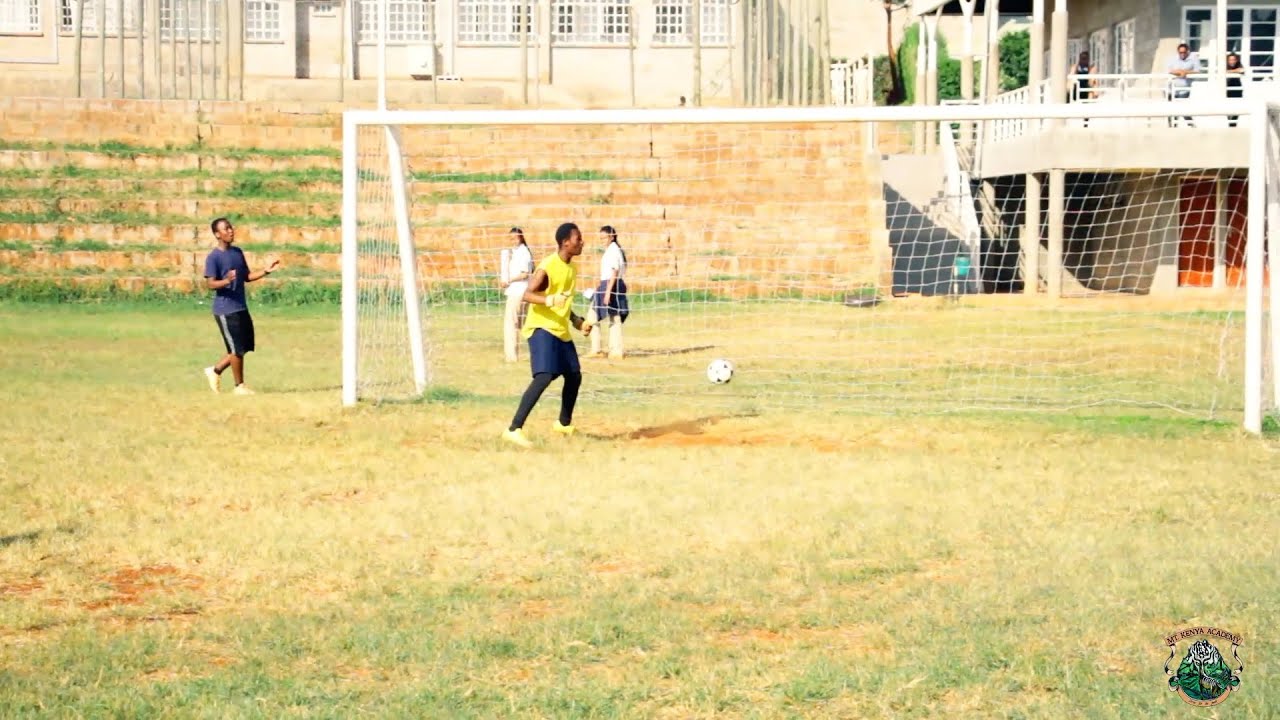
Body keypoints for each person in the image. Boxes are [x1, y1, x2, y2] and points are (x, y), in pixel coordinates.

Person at [502, 222, 594, 448]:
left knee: (574, 375)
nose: (581, 242)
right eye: (578, 239)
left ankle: (563, 424)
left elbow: (562, 299)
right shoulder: (548, 266)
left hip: (560, 329)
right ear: (565, 242)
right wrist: (549, 300)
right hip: (541, 327)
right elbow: (527, 294)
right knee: (544, 376)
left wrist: (576, 321)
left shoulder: (572, 268)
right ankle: (513, 429)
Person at [202, 217, 280, 395]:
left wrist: (266, 271)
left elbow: (247, 276)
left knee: (244, 346)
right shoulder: (213, 258)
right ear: (217, 234)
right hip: (225, 310)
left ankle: (215, 371)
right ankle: (239, 386)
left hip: (241, 307)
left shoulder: (237, 252)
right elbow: (210, 284)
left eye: (231, 228)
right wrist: (226, 280)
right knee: (236, 349)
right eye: (226, 229)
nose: (231, 231)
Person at [589, 225, 629, 360]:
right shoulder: (611, 250)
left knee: (614, 317)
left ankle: (616, 351)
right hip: (607, 284)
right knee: (593, 315)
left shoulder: (613, 250)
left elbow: (614, 272)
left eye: (604, 237)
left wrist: (607, 291)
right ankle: (597, 349)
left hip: (611, 285)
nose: (602, 240)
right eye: (600, 238)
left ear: (612, 237)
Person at [500, 227, 534, 362]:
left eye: (514, 238)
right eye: (510, 238)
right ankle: (518, 353)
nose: (512, 241)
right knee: (520, 324)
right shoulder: (515, 252)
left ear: (520, 237)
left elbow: (525, 273)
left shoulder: (524, 253)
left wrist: (508, 280)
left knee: (511, 323)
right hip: (519, 291)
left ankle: (511, 356)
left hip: (518, 292)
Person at [1168, 43, 1199, 127]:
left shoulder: (1193, 59)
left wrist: (1186, 72)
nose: (1182, 54)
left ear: (1187, 51)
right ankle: (1172, 128)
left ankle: (1192, 125)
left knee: (1182, 108)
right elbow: (1170, 70)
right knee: (1171, 110)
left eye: (1184, 52)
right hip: (1172, 88)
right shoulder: (1173, 59)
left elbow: (1197, 71)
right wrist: (1179, 72)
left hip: (1184, 89)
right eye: (1180, 52)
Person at [1071, 51, 1097, 127]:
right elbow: (1072, 76)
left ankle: (1086, 121)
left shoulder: (1089, 67)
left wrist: (1094, 91)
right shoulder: (1076, 66)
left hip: (1085, 87)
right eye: (1082, 57)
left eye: (1085, 58)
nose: (1083, 59)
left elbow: (1093, 80)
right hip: (1077, 88)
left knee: (1086, 104)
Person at [1226, 52, 1245, 128]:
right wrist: (1234, 71)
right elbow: (1223, 71)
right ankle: (1230, 123)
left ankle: (1233, 124)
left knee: (1238, 106)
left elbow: (1242, 70)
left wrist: (1231, 71)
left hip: (1237, 88)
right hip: (1227, 88)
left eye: (1234, 60)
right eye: (1230, 60)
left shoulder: (1238, 65)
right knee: (1228, 107)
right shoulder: (1225, 65)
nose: (1232, 61)